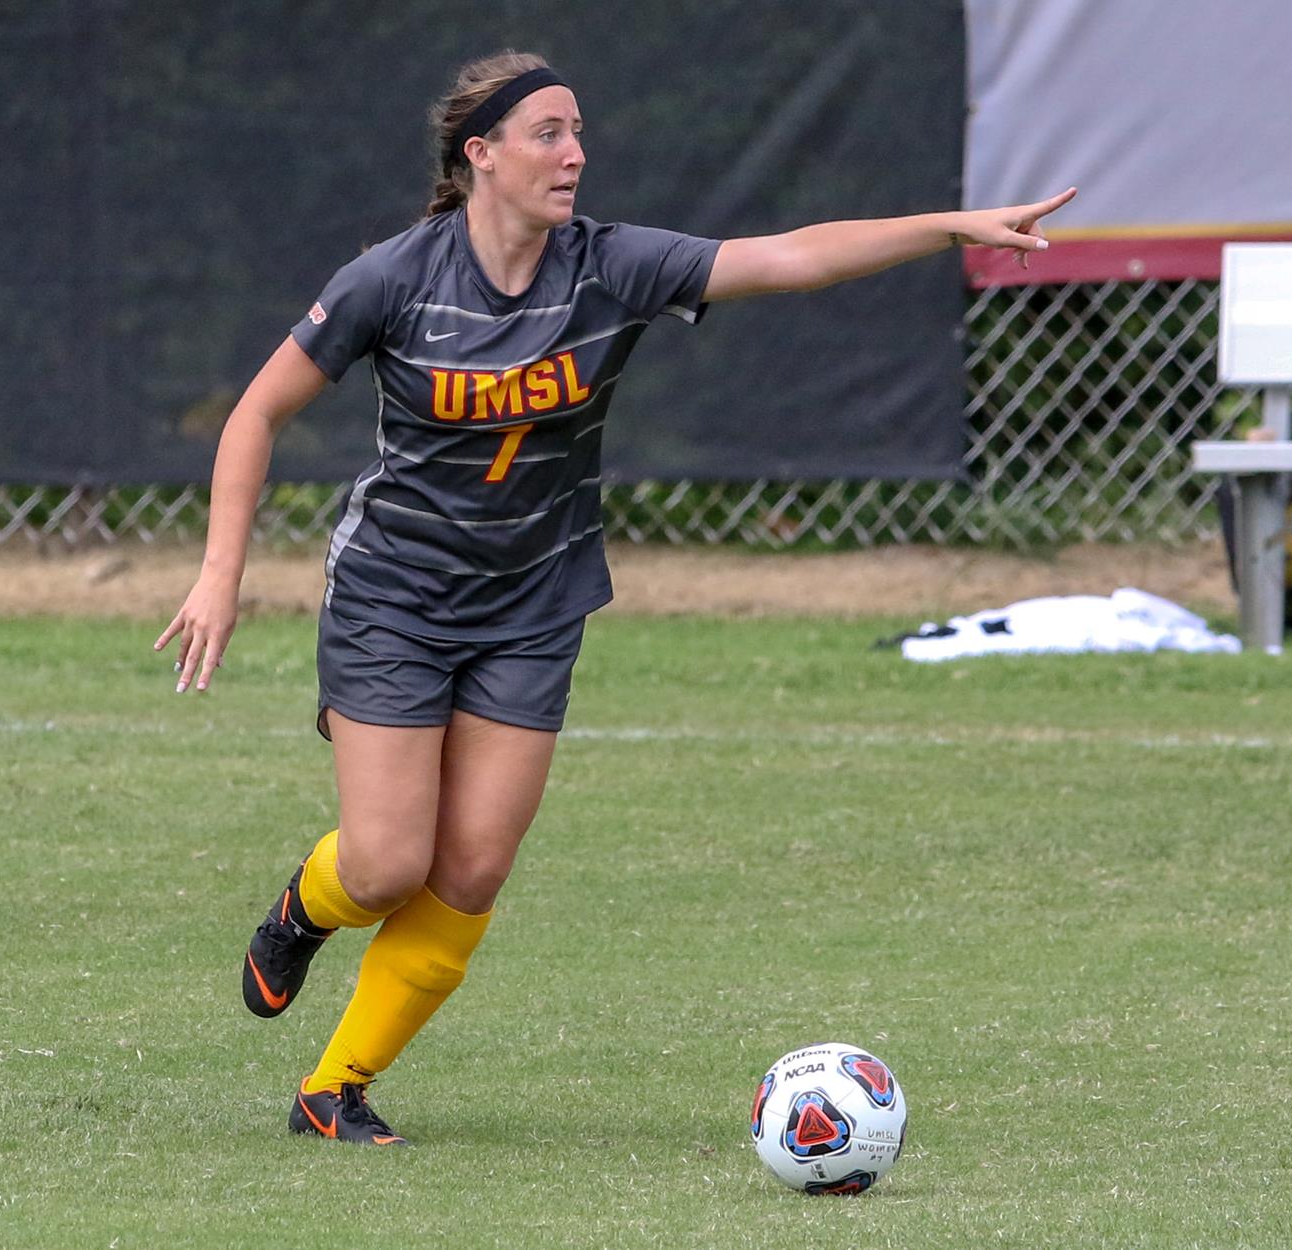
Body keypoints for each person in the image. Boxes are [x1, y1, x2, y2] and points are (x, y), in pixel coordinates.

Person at [154, 49, 1074, 1146]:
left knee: (474, 864)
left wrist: (949, 226)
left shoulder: (609, 266)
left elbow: (788, 259)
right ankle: (302, 909)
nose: (575, 153)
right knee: (388, 859)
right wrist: (220, 572)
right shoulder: (394, 280)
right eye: (547, 133)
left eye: (578, 130)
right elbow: (254, 414)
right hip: (395, 595)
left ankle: (332, 1089)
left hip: (536, 598)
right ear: (478, 155)